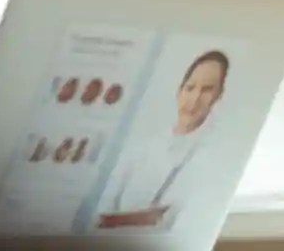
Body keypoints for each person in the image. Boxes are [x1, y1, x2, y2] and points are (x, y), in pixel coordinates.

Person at [95, 51, 230, 232]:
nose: (195, 98)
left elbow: (184, 224)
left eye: (207, 90)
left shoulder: (213, 160)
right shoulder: (139, 150)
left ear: (218, 96)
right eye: (190, 88)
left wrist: (124, 220)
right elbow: (100, 215)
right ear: (179, 91)